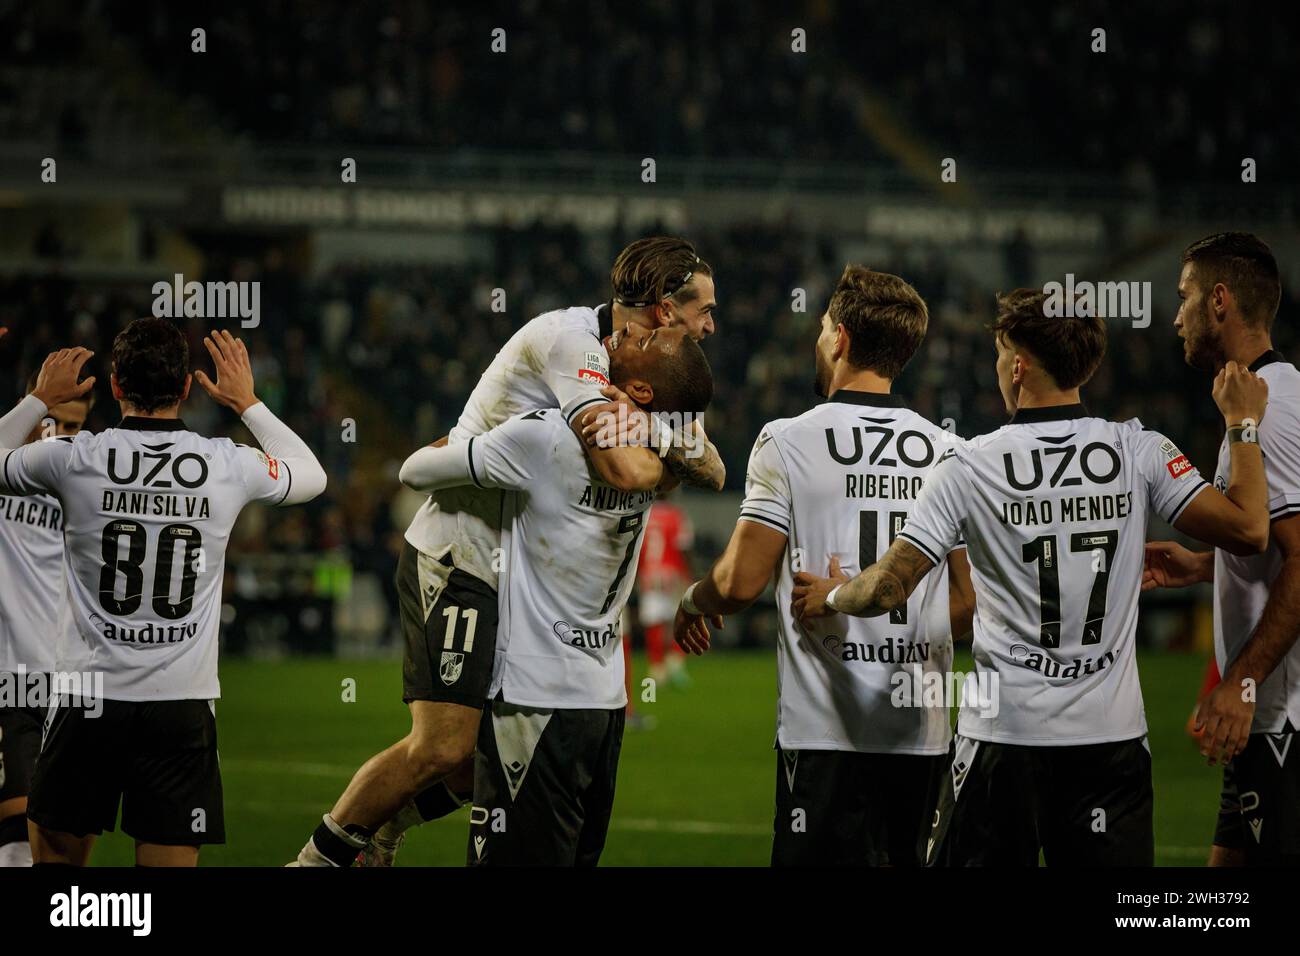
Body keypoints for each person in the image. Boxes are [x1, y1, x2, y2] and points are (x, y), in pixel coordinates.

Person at [793, 288, 1270, 866]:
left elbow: (888, 587)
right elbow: (1250, 530)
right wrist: (1242, 423)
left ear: (1017, 366)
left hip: (1004, 741)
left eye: (1000, 354)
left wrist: (833, 594)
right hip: (1109, 745)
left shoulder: (969, 465)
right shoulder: (1139, 449)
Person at [301, 236, 727, 867]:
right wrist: (663, 447)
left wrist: (654, 432)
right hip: (462, 550)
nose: (711, 325)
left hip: (520, 566)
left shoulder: (658, 375)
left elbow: (713, 469)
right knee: (444, 747)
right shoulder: (576, 346)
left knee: (481, 759)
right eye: (704, 310)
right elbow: (626, 469)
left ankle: (384, 830)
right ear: (665, 310)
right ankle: (318, 860)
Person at [674, 266, 974, 865]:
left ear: (841, 338)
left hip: (823, 737)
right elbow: (970, 606)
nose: (817, 339)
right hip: (921, 738)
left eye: (821, 329)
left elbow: (739, 583)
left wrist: (692, 600)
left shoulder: (787, 441)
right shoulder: (951, 453)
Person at [0, 322, 326, 866]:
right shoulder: (226, 464)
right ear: (188, 387)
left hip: (87, 697)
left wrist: (38, 398)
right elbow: (312, 474)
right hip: (181, 703)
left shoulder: (73, 457)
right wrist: (248, 404)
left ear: (114, 385)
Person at [400, 324, 713, 865]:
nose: (627, 333)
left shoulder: (544, 435)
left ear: (640, 390)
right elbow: (705, 460)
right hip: (604, 701)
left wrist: (469, 435)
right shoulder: (665, 464)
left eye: (642, 344)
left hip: (534, 695)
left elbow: (415, 471)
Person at [1143, 232, 1300, 865]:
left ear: (1219, 300)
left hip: (1281, 716)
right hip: (1264, 717)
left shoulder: (1271, 411)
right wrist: (1208, 566)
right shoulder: (1261, 398)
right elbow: (1276, 549)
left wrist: (1241, 682)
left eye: (1184, 296)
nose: (1175, 316)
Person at [0, 370, 93, 867]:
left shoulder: (85, 477)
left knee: (65, 845)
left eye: (74, 426)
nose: (60, 435)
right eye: (52, 420)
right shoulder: (7, 470)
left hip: (76, 682)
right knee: (18, 832)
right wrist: (35, 402)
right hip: (13, 677)